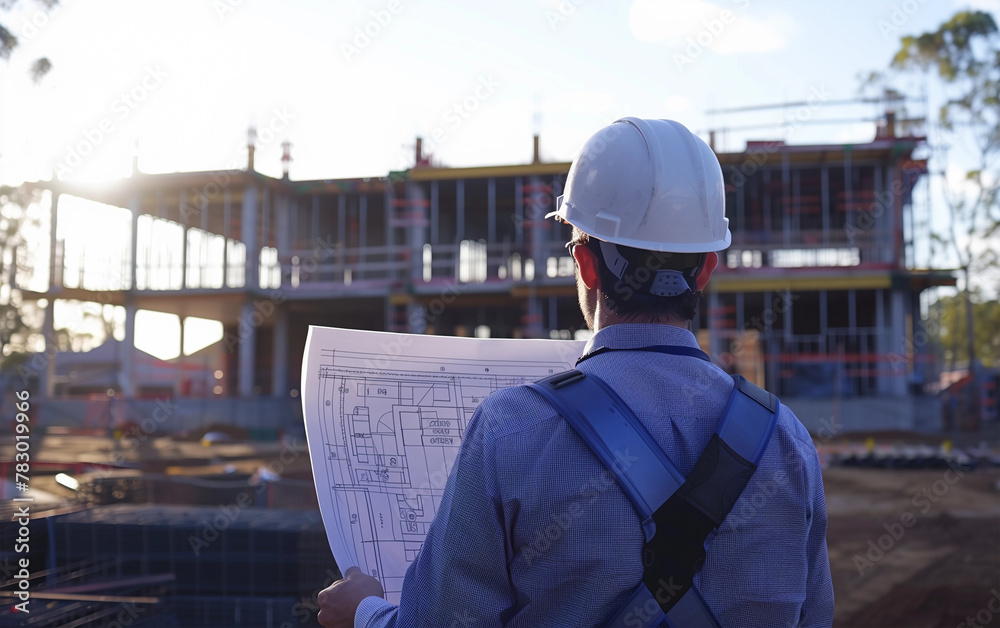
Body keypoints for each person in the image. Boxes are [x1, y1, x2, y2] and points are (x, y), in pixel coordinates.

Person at [318, 117, 835, 627]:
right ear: (704, 269)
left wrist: (364, 613)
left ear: (585, 265)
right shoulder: (785, 438)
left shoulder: (511, 428)